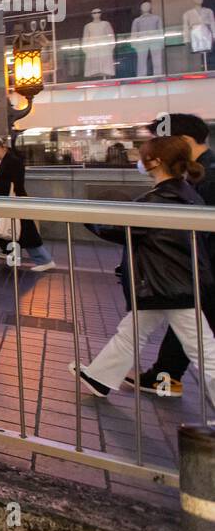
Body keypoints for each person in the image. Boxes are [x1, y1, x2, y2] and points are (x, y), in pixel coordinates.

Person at [74, 136, 215, 410]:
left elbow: (119, 231)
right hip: (170, 283)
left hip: (168, 286)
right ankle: (99, 377)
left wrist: (88, 217)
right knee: (131, 332)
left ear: (155, 161)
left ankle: (99, 377)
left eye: (141, 156)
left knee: (204, 350)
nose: (138, 161)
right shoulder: (186, 192)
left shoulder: (158, 199)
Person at [133, 114, 215, 396]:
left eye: (161, 141)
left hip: (201, 271)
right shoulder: (196, 174)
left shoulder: (207, 177)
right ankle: (164, 375)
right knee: (189, 327)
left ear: (183, 141)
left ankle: (163, 376)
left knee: (202, 342)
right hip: (193, 273)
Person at [0, 137, 55, 271]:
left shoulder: (14, 162)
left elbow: (16, 185)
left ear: (0, 148)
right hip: (3, 202)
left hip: (14, 201)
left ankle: (44, 260)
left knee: (25, 231)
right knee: (7, 230)